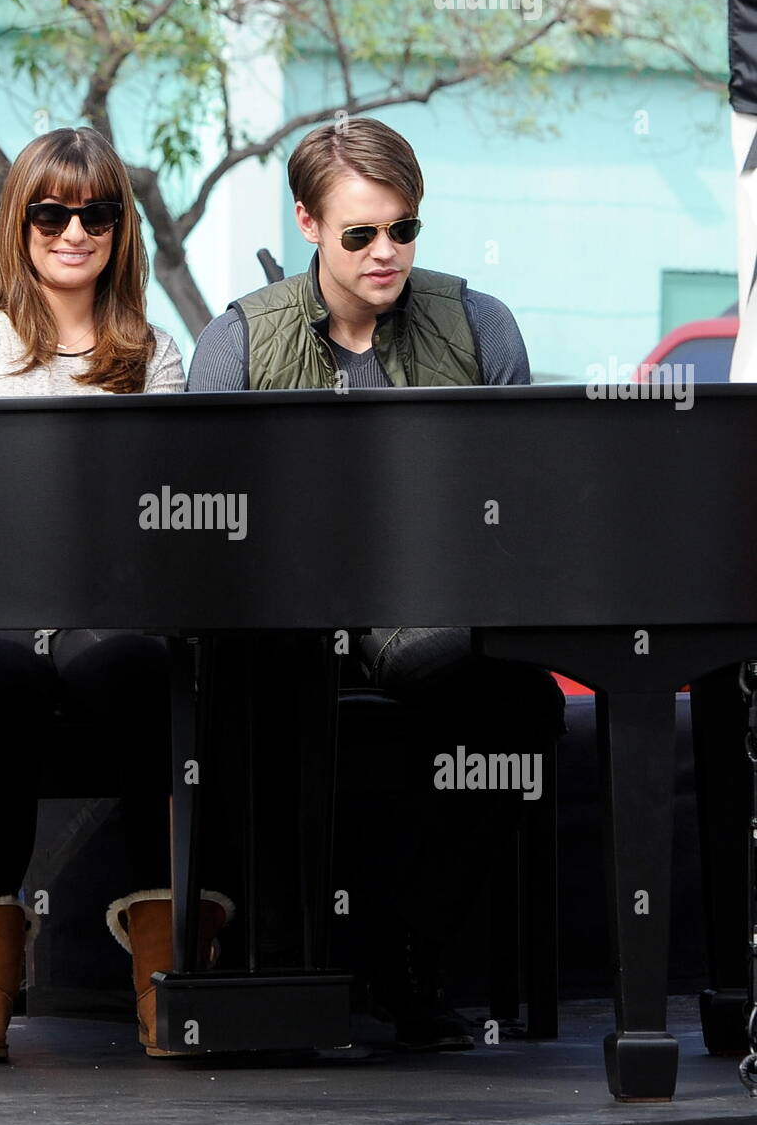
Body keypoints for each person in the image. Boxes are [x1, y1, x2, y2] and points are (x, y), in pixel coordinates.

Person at [188, 117, 565, 1050]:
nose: (386, 252)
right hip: (286, 617)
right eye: (361, 234)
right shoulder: (239, 340)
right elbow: (198, 513)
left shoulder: (480, 323)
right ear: (309, 224)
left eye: (404, 229)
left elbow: (518, 491)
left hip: (436, 612)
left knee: (520, 706)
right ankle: (280, 968)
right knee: (257, 680)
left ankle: (406, 949)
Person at [0, 128, 232, 1063]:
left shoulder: (150, 351)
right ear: (22, 221)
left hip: (96, 600)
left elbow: (164, 503)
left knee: (133, 666)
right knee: (1, 680)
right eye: (52, 213)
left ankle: (167, 967)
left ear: (119, 229)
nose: (75, 231)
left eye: (96, 214)